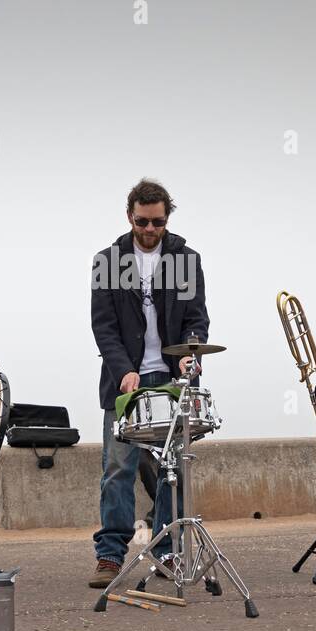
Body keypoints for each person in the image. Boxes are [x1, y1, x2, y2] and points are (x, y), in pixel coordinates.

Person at [89, 179, 208, 588]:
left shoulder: (186, 260)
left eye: (158, 222)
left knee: (171, 470)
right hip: (125, 378)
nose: (150, 230)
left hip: (170, 376)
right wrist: (124, 370)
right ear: (129, 216)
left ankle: (165, 551)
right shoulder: (108, 261)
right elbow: (103, 328)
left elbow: (197, 318)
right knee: (118, 467)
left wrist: (191, 352)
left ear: (167, 219)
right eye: (142, 222)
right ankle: (109, 554)